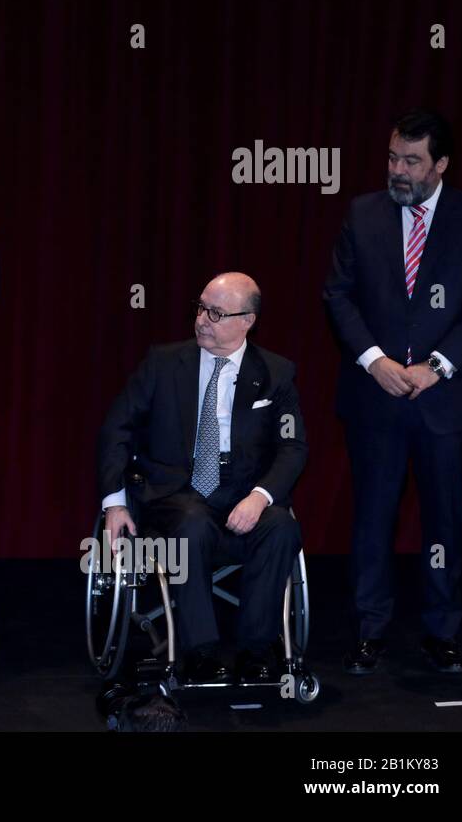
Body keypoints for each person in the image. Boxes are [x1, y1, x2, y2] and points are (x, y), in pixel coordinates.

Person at [323, 108, 462, 675]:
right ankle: (370, 629)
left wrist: (436, 366)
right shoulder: (362, 213)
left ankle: (442, 630)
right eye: (393, 157)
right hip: (376, 399)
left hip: (447, 402)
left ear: (440, 164)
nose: (398, 170)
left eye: (412, 161)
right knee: (372, 517)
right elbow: (338, 296)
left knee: (445, 521)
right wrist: (374, 361)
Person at [98, 273, 307, 682]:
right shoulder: (162, 363)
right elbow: (115, 430)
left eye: (216, 313)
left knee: (281, 527)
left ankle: (256, 650)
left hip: (244, 490)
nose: (201, 320)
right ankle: (200, 651)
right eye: (200, 307)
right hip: (174, 491)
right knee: (191, 522)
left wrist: (261, 496)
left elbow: (292, 446)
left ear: (247, 320)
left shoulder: (276, 373)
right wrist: (115, 502)